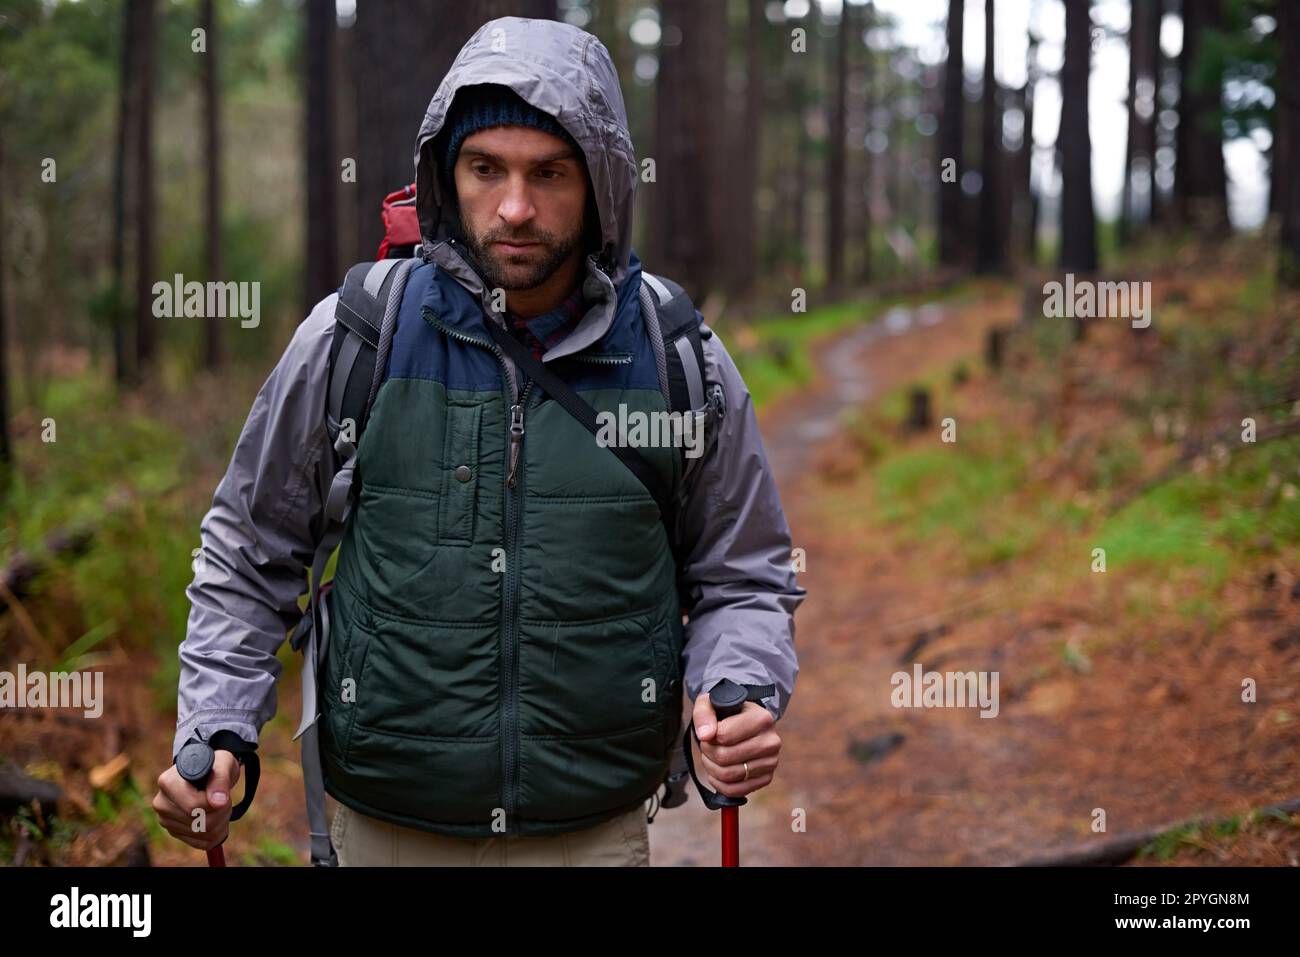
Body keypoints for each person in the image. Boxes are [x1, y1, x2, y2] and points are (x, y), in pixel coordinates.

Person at [152, 15, 804, 867]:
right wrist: (218, 725)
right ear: (445, 174)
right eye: (485, 169)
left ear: (601, 180)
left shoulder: (676, 355)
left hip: (594, 830)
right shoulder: (358, 335)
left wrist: (739, 689)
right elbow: (249, 548)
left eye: (550, 173)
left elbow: (745, 570)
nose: (516, 207)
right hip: (385, 822)